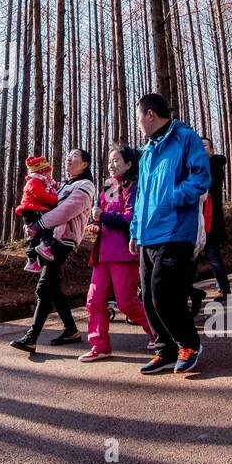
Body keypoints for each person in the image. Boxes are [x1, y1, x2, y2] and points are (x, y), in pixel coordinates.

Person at [130, 93, 211, 375]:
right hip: (147, 235)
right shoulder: (148, 151)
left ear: (150, 114)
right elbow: (140, 196)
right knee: (148, 297)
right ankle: (165, 350)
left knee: (164, 293)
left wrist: (175, 196)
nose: (138, 122)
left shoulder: (185, 137)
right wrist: (134, 230)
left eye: (139, 116)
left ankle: (189, 343)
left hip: (175, 230)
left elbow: (201, 177)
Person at [9, 148, 97, 354]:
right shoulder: (62, 185)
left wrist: (38, 224)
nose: (68, 158)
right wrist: (31, 223)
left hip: (63, 241)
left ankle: (31, 338)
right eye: (68, 155)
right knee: (53, 286)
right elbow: (44, 205)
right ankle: (71, 330)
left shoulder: (86, 186)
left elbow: (65, 211)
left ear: (84, 164)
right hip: (49, 238)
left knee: (44, 287)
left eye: (74, 156)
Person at [79, 143, 154, 362]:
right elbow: (105, 218)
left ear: (129, 164)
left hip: (123, 253)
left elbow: (131, 218)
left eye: (116, 161)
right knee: (94, 300)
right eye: (110, 161)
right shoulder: (107, 187)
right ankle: (100, 345)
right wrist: (97, 225)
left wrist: (103, 217)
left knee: (127, 303)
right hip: (102, 254)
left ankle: (157, 333)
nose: (111, 165)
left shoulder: (134, 187)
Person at [14, 155, 59, 272]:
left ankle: (32, 260)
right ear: (42, 171)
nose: (50, 174)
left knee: (34, 235)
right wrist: (55, 199)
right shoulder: (34, 181)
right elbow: (41, 195)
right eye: (48, 171)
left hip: (33, 209)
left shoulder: (44, 182)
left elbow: (53, 188)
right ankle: (45, 244)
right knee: (48, 224)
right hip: (32, 210)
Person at [200, 136, 231, 302]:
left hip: (212, 220)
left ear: (211, 150)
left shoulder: (216, 167)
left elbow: (209, 184)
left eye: (205, 145)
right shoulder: (195, 166)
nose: (201, 148)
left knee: (213, 255)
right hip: (196, 220)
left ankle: (223, 289)